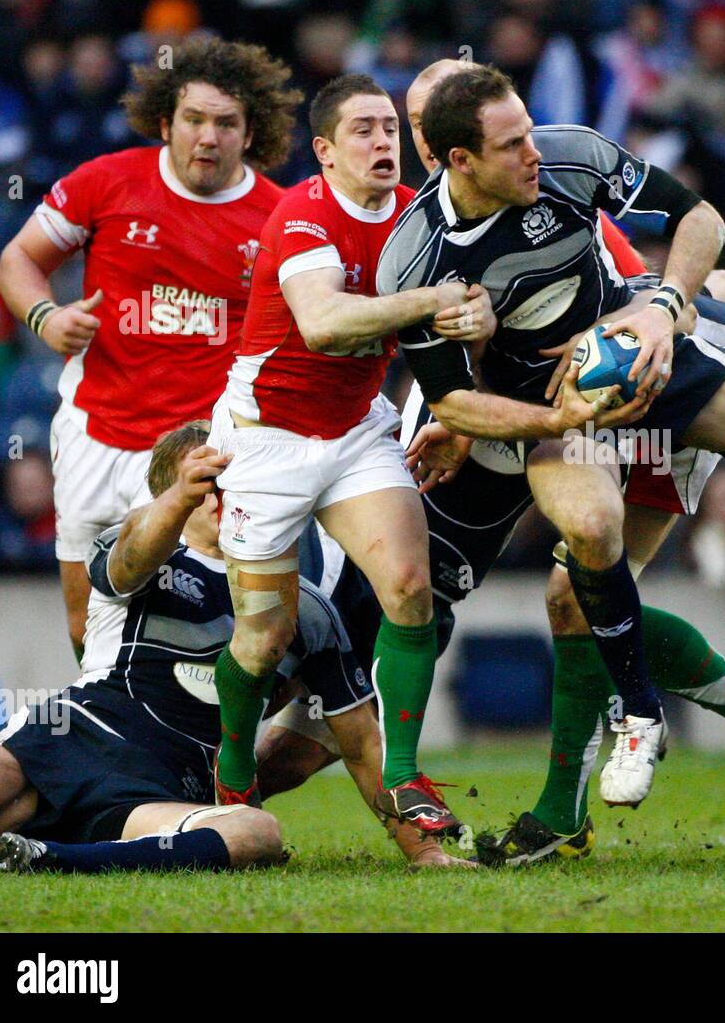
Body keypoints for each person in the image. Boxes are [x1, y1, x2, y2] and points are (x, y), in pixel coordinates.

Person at [377, 64, 725, 810]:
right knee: (575, 580)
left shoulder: (561, 177)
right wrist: (485, 397)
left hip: (662, 397)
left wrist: (664, 307)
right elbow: (458, 385)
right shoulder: (419, 248)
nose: (419, 145)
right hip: (570, 418)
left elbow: (711, 288)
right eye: (414, 126)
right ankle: (634, 754)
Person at [205, 72, 553, 840]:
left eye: (391, 128)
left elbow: (476, 310)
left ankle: (402, 772)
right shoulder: (302, 213)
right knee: (262, 637)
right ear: (325, 151)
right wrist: (436, 301)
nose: (383, 142)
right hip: (268, 437)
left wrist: (476, 331)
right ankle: (232, 765)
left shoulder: (418, 217)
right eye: (363, 130)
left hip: (360, 428)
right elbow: (326, 324)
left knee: (409, 588)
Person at [0, 423, 466, 874]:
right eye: (211, 480)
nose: (226, 492)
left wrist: (425, 851)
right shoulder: (137, 549)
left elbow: (361, 745)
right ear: (175, 493)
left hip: (162, 789)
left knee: (255, 832)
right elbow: (129, 560)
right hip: (69, 737)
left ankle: (43, 858)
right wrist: (181, 495)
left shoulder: (308, 610)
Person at [0, 38, 297, 658]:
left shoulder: (278, 219)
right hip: (94, 432)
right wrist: (46, 316)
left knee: (195, 624)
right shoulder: (105, 183)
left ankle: (199, 749)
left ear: (250, 133)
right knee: (86, 622)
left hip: (196, 452)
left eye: (225, 123)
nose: (207, 137)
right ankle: (100, 736)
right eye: (194, 119)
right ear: (165, 122)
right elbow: (18, 259)